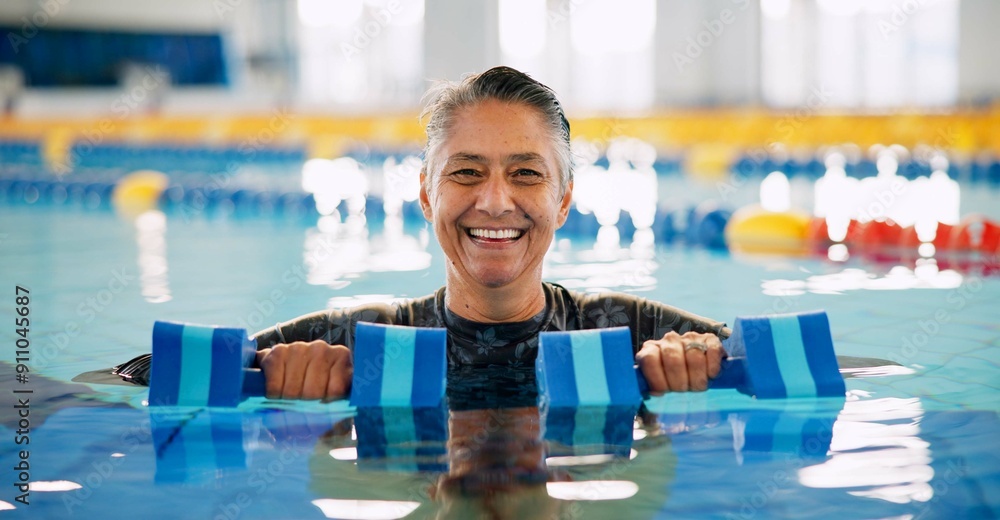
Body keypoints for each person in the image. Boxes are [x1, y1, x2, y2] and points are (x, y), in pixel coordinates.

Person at [253, 66, 727, 402]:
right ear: (426, 195)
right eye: (465, 172)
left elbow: (764, 353)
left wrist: (698, 362)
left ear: (562, 201)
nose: (496, 201)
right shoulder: (353, 343)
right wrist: (297, 404)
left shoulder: (631, 333)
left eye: (525, 173)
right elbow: (191, 367)